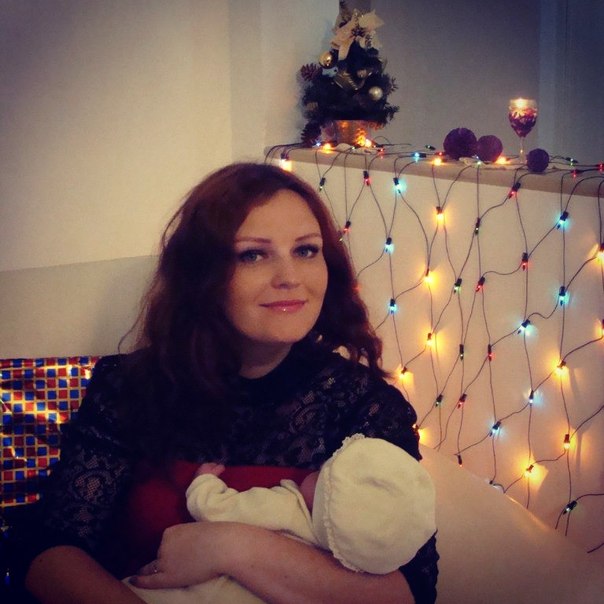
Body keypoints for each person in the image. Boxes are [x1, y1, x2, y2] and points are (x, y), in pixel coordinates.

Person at [11, 162, 439, 604]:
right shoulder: (129, 386)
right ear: (202, 275)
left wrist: (232, 548)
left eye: (306, 250)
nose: (290, 277)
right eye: (253, 254)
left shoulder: (364, 405)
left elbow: (412, 590)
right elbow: (47, 550)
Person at [126, 434, 437, 604]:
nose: (319, 468)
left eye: (324, 475)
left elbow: (213, 509)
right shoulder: (345, 552)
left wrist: (204, 483)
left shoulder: (285, 505)